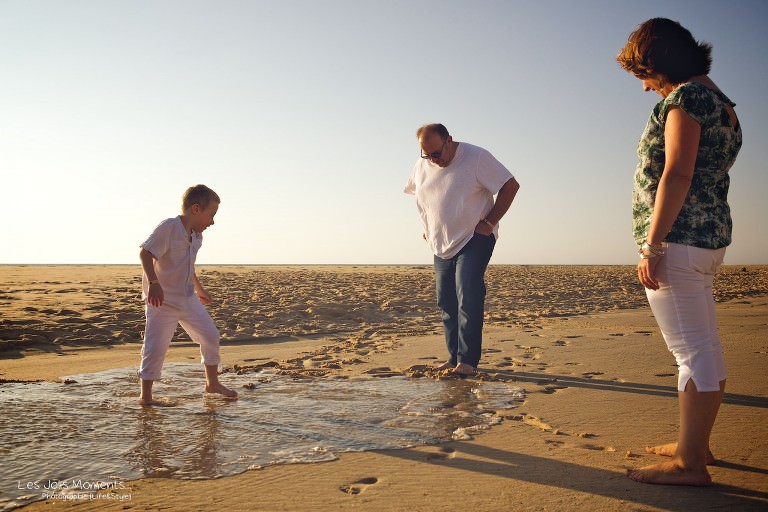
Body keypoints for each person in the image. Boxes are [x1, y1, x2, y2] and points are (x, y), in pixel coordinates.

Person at [617, 18, 742, 485]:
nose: (645, 87)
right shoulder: (722, 102)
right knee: (701, 346)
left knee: (692, 351)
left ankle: (690, 463)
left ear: (658, 61)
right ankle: (696, 443)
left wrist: (652, 245)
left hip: (680, 241)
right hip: (705, 239)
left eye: (643, 75)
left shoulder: (687, 98)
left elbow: (677, 174)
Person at [404, 123, 520, 376]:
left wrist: (489, 223)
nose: (433, 159)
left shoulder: (476, 157)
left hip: (474, 238)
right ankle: (453, 356)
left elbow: (511, 186)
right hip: (440, 243)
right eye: (427, 154)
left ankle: (467, 362)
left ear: (449, 141)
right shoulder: (421, 165)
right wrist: (427, 227)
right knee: (446, 301)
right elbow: (421, 197)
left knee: (467, 293)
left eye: (437, 153)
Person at [138, 184, 238, 405]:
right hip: (161, 300)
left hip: (187, 297)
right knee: (156, 346)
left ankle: (212, 383)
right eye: (211, 215)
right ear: (195, 209)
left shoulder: (197, 236)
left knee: (210, 335)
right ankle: (146, 397)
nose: (212, 221)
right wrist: (154, 283)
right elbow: (145, 253)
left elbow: (188, 266)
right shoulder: (169, 228)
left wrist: (199, 289)